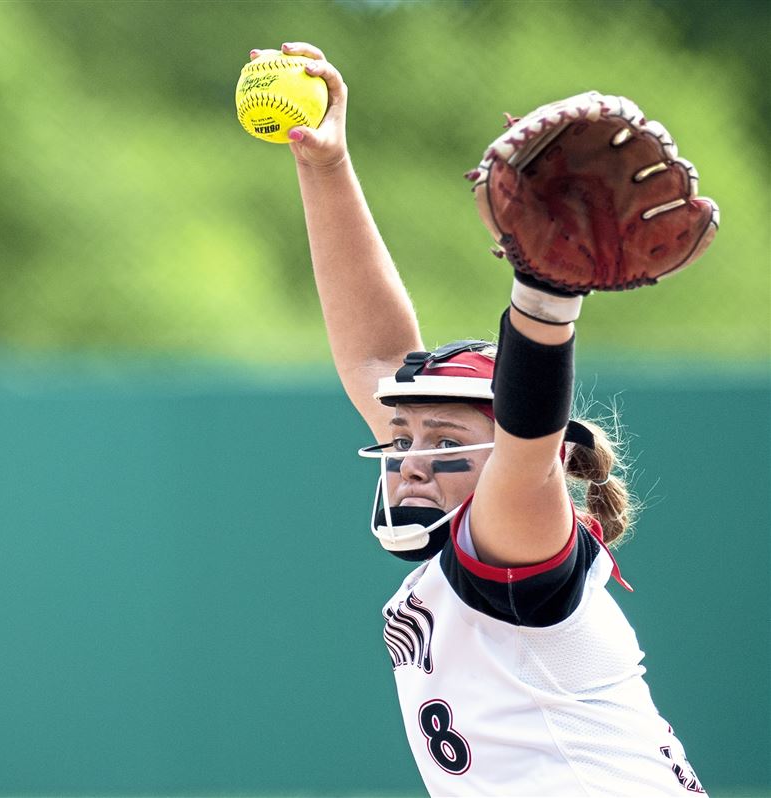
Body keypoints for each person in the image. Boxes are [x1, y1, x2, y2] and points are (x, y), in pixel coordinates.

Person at [253, 42, 707, 795]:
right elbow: (375, 362)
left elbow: (527, 444)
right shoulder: (471, 555)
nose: (416, 459)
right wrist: (323, 166)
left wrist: (544, 296)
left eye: (446, 440)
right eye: (402, 440)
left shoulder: (517, 549)